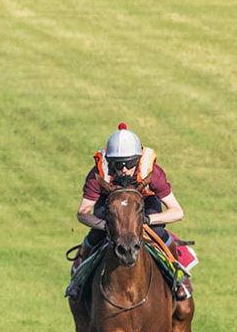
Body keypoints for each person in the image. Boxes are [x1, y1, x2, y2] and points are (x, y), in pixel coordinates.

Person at [65, 123, 193, 300]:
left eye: (130, 163)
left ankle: (178, 278)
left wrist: (148, 219)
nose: (124, 169)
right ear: (109, 162)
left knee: (159, 232)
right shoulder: (98, 174)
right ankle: (79, 279)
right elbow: (83, 212)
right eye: (118, 164)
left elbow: (177, 211)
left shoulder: (154, 173)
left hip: (144, 203)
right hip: (111, 203)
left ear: (138, 160)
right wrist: (105, 224)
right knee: (94, 236)